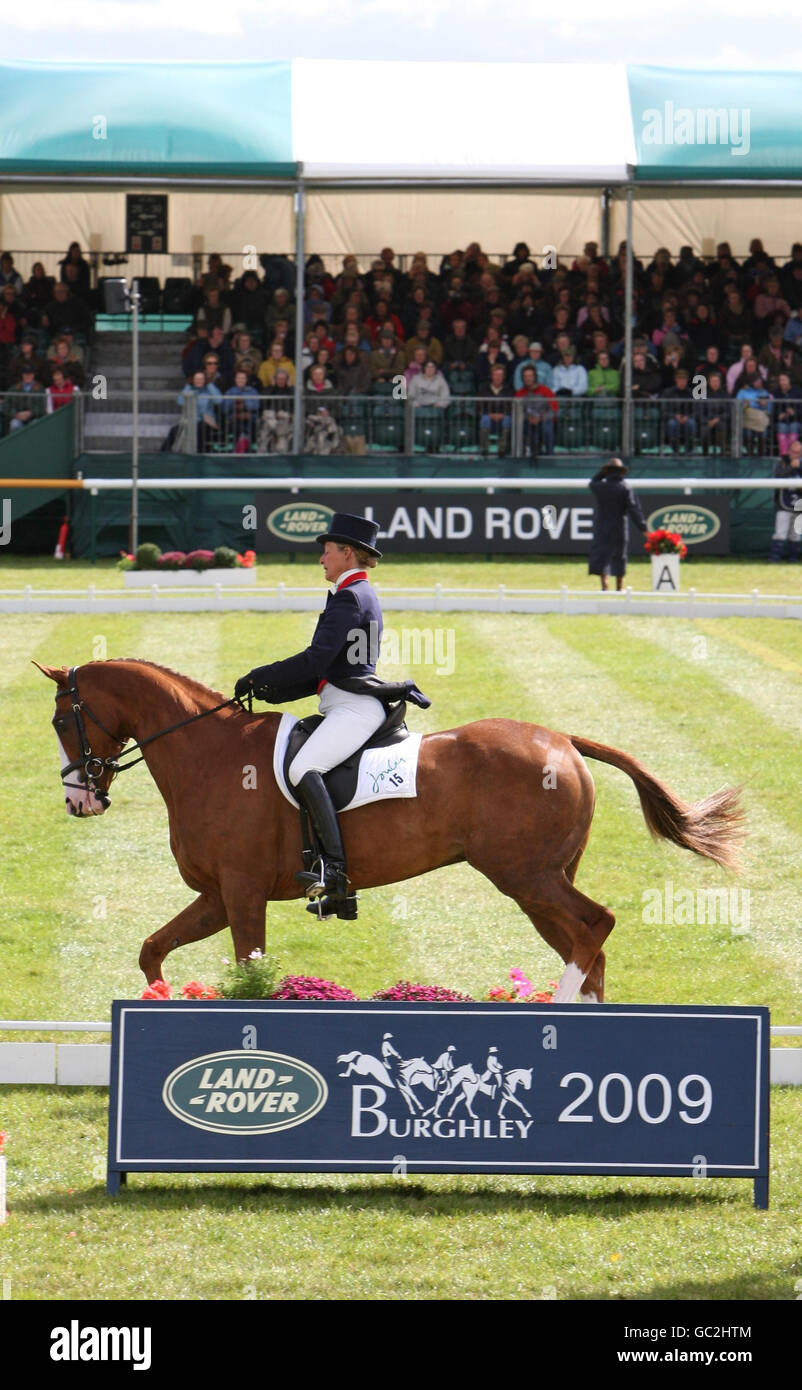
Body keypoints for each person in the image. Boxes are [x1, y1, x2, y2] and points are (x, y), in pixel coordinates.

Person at [234, 515, 394, 920]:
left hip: (354, 707)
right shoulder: (354, 593)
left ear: (347, 552)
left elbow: (316, 660)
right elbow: (325, 672)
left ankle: (335, 874)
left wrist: (260, 675)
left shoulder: (350, 598)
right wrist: (268, 691)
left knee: (304, 766)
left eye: (327, 550)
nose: (321, 557)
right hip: (344, 699)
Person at [588, 458, 647, 592]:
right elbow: (634, 509)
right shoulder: (625, 488)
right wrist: (643, 527)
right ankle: (619, 586)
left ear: (607, 471)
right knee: (620, 555)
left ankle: (604, 584)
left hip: (602, 525)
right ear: (621, 472)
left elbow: (592, 482)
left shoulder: (600, 487)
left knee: (602, 554)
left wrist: (602, 473)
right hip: (620, 526)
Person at [770, 441, 802, 562]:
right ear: (789, 451)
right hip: (783, 504)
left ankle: (793, 559)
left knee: (795, 534)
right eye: (794, 452)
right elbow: (778, 476)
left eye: (799, 453)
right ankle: (774, 558)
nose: (796, 455)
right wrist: (791, 467)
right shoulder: (781, 463)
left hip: (799, 504)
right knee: (780, 532)